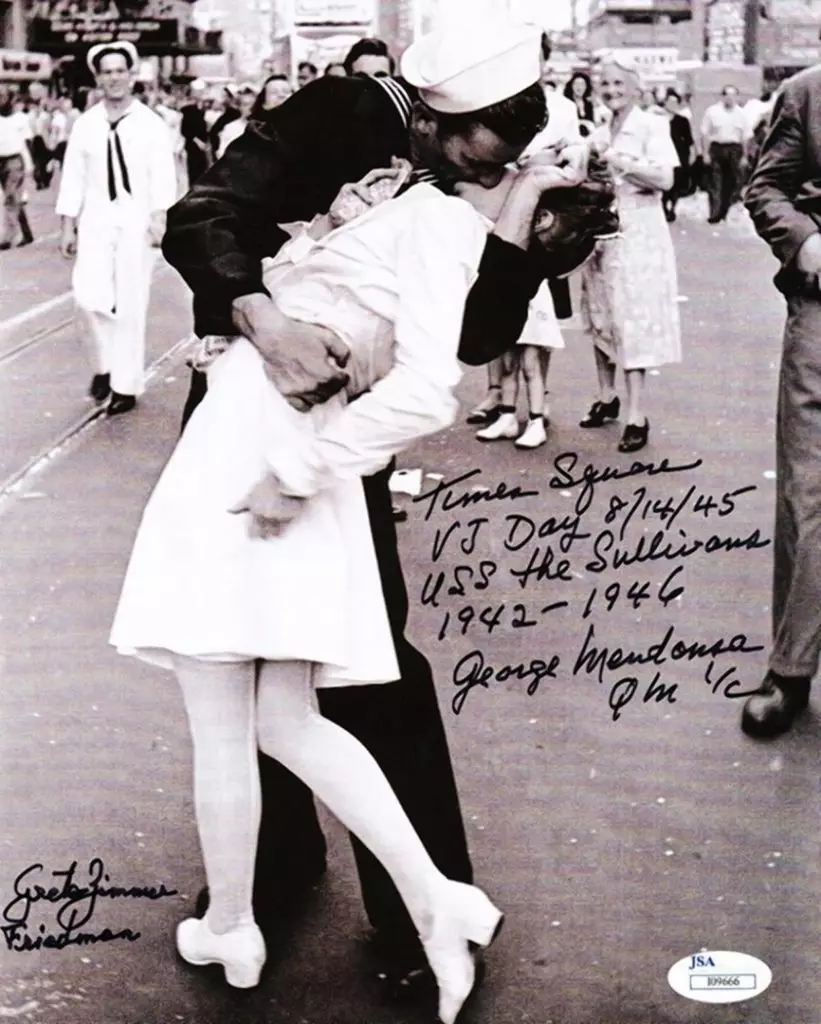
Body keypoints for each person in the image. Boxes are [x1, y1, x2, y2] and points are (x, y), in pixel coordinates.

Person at [112, 155, 612, 1024]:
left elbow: (422, 384)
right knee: (280, 719)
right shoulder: (455, 239)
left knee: (223, 715)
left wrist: (285, 448)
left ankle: (244, 924)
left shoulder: (431, 221)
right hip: (301, 444)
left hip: (255, 441)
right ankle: (419, 901)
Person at [742, 65, 821, 738]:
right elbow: (764, 185)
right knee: (807, 493)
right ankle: (789, 670)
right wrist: (805, 240)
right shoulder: (807, 92)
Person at [56, 41, 177, 414]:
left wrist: (160, 218)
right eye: (106, 71)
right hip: (95, 219)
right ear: (98, 78)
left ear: (131, 75)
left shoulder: (150, 124)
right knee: (86, 297)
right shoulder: (86, 125)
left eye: (120, 71)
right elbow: (73, 177)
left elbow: (163, 176)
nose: (114, 78)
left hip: (135, 221)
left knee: (129, 302)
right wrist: (67, 225)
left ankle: (125, 384)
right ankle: (103, 366)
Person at [578, 55, 681, 453]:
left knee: (632, 318)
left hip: (639, 233)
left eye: (619, 84)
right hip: (601, 232)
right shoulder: (600, 129)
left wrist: (619, 162)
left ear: (636, 89)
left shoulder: (652, 125)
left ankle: (637, 414)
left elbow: (665, 178)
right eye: (605, 84)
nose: (611, 91)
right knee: (601, 315)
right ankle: (607, 395)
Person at [700, 84, 750, 224]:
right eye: (727, 95)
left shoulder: (742, 114)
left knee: (733, 182)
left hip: (734, 150)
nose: (730, 98)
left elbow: (745, 137)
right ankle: (714, 213)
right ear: (722, 97)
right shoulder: (712, 112)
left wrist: (745, 156)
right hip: (717, 148)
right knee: (715, 182)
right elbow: (704, 133)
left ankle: (724, 210)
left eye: (733, 95)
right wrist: (705, 153)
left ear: (737, 97)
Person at [0, 95, 34, 249]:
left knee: (10, 198)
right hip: (3, 161)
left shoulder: (17, 121)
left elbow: (24, 144)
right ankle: (26, 233)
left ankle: (9, 237)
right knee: (14, 199)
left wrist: (29, 165)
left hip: (14, 161)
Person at [661, 87, 694, 222]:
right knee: (664, 183)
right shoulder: (658, 120)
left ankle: (672, 208)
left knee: (676, 184)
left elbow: (689, 140)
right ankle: (663, 206)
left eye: (675, 102)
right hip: (662, 155)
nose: (672, 105)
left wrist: (691, 155)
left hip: (679, 156)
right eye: (670, 102)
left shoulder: (682, 120)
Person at [180, 79, 210, 185]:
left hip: (203, 148)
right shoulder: (187, 109)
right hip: (193, 147)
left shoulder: (203, 109)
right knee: (194, 174)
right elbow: (185, 130)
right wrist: (197, 141)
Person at [215, 86, 255, 159]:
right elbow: (222, 155)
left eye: (253, 104)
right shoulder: (230, 129)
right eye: (246, 104)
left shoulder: (264, 127)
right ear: (239, 107)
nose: (250, 108)